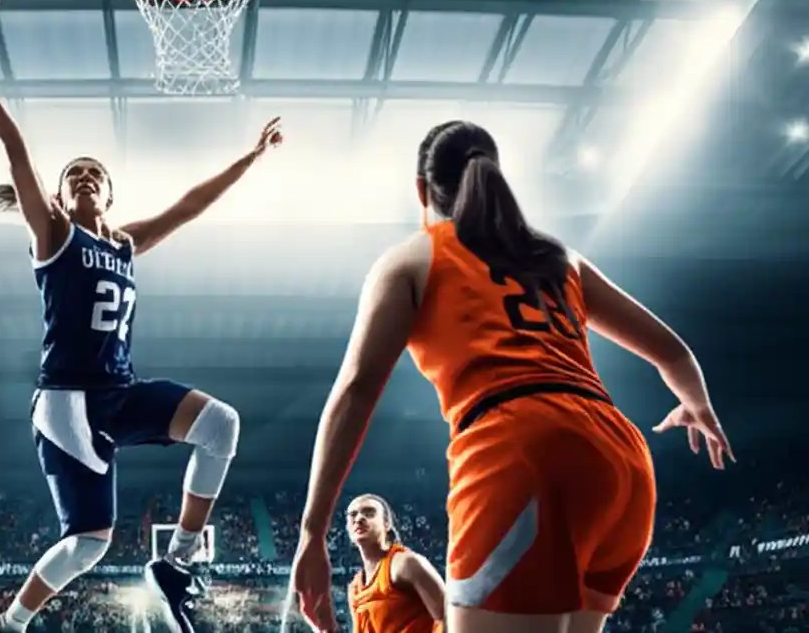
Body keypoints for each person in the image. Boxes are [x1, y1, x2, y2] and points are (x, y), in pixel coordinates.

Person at [291, 121, 735, 633]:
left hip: (520, 448)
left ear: (421, 190)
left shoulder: (413, 257)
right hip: (620, 459)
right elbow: (672, 352)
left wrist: (312, 531)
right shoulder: (558, 257)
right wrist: (697, 406)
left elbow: (356, 390)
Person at [0, 13, 283, 633]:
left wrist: (250, 157)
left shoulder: (126, 243)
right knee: (89, 543)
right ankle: (8, 625)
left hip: (116, 393)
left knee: (222, 425)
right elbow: (15, 147)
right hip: (65, 401)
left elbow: (189, 206)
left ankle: (177, 562)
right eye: (74, 174)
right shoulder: (54, 234)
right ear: (60, 197)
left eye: (96, 174)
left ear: (109, 196)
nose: (85, 177)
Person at [344, 494, 444, 633]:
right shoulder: (354, 589)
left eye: (369, 513)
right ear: (348, 528)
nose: (359, 518)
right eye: (353, 515)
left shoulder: (407, 564)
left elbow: (449, 618)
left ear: (387, 524)